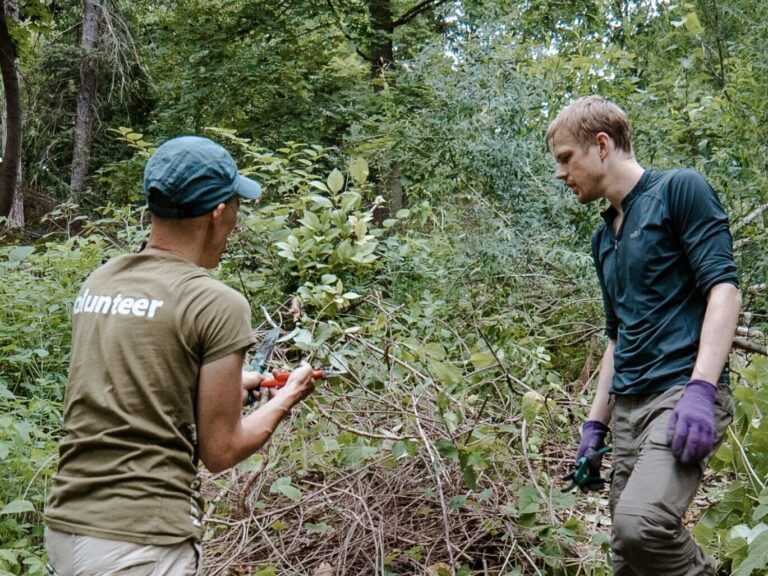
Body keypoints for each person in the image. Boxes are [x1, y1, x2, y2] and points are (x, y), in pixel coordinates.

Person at [44, 136, 316, 575]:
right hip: (142, 540)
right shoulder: (215, 303)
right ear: (218, 212)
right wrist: (288, 396)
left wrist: (235, 385)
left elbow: (135, 387)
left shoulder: (101, 283)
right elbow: (221, 451)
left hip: (67, 527)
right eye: (235, 206)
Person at [546, 96, 741, 575]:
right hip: (630, 408)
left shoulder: (679, 190)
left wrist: (701, 390)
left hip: (682, 395)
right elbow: (617, 337)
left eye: (566, 159)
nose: (560, 174)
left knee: (641, 526)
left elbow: (724, 291)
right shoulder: (603, 237)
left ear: (602, 145)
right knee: (627, 558)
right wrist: (594, 428)